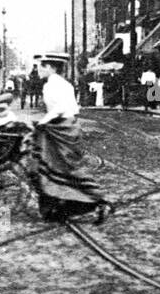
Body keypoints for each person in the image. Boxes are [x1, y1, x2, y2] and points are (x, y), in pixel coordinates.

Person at [31, 57, 112, 223]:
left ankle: (98, 201)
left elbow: (59, 108)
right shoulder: (65, 84)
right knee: (63, 167)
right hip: (67, 127)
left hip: (60, 127)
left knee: (65, 168)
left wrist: (43, 122)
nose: (38, 70)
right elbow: (74, 107)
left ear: (51, 67)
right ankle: (60, 206)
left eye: (41, 67)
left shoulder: (52, 85)